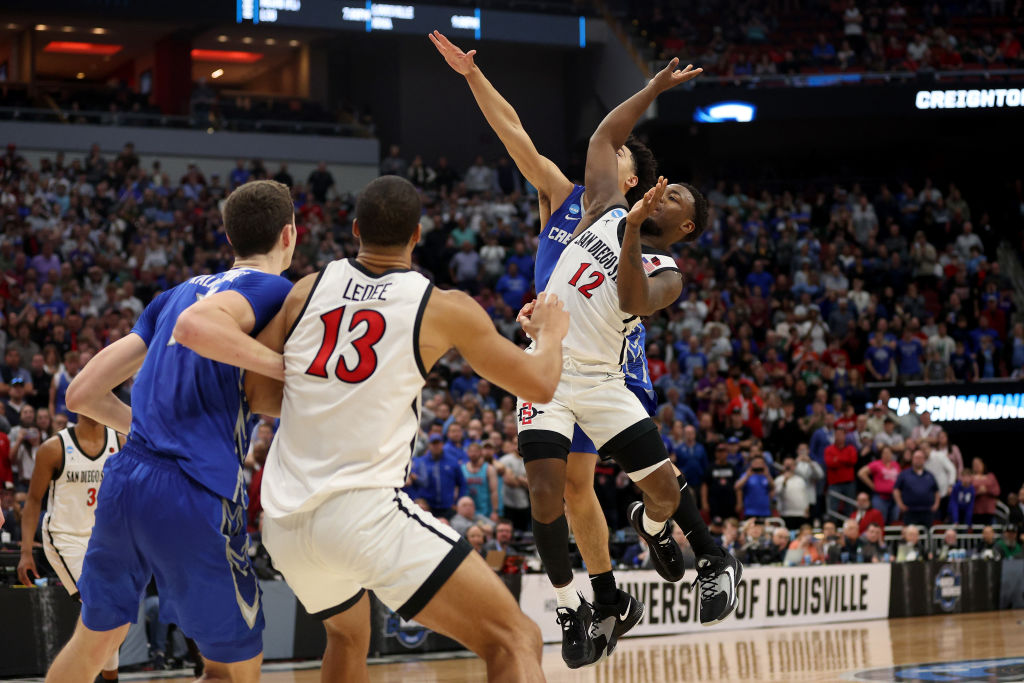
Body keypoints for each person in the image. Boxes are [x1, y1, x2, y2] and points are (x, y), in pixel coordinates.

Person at [247, 176, 566, 682]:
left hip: (283, 521)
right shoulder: (442, 306)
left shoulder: (308, 287)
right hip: (360, 516)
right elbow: (540, 384)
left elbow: (259, 393)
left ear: (354, 230)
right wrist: (550, 334)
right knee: (515, 638)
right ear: (417, 235)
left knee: (348, 635)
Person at [430, 30, 661, 666]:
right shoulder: (560, 197)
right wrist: (473, 77)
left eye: (615, 155)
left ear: (631, 177)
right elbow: (516, 135)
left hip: (609, 361)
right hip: (551, 363)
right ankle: (597, 598)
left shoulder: (631, 224)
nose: (602, 158)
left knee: (597, 486)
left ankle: (634, 558)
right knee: (560, 487)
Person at [516, 58, 743, 646]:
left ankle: (686, 543)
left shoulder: (667, 270)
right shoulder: (600, 208)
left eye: (678, 201)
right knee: (547, 491)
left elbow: (633, 299)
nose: (665, 194)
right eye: (664, 188)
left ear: (684, 227)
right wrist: (653, 88)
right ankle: (574, 607)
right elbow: (604, 137)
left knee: (662, 490)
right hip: (544, 370)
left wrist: (638, 230)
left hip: (598, 378)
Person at [44, 180, 297, 683]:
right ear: (289, 235)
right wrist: (291, 368)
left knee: (94, 643)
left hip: (125, 480)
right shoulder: (275, 292)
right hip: (193, 489)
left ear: (230, 239)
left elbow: (81, 396)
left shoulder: (174, 294)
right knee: (234, 668)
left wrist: (149, 429)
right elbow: (201, 333)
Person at [17, 415, 125, 682]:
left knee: (114, 613)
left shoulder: (120, 442)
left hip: (103, 538)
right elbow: (32, 501)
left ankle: (109, 678)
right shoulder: (53, 448)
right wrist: (26, 552)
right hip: (65, 538)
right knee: (100, 604)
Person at [893, 449, 940, 528]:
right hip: (910, 511)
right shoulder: (904, 474)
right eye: (916, 457)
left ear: (924, 460)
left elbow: (936, 491)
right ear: (912, 459)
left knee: (927, 535)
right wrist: (900, 504)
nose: (918, 460)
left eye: (920, 458)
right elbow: (896, 490)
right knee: (910, 534)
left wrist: (936, 504)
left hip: (927, 512)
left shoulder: (930, 475)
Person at [859, 445, 901, 524]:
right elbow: (861, 473)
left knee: (894, 520)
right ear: (881, 454)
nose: (887, 455)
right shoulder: (876, 464)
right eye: (885, 453)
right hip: (880, 497)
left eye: (889, 453)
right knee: (880, 520)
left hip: (894, 497)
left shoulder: (896, 465)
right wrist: (873, 486)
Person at [824, 428, 857, 517]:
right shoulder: (829, 449)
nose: (839, 437)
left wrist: (837, 459)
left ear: (845, 436)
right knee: (833, 507)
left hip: (849, 482)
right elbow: (830, 463)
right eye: (837, 434)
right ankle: (832, 528)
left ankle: (850, 528)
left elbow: (853, 461)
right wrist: (845, 460)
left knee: (849, 506)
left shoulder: (851, 448)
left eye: (841, 434)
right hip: (834, 483)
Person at [774, 456, 811, 529]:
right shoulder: (779, 480)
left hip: (800, 513)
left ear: (794, 466)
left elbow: (805, 496)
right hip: (786, 514)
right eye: (786, 465)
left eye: (790, 465)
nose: (788, 467)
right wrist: (785, 481)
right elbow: (777, 493)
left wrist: (807, 509)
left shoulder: (800, 480)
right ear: (783, 466)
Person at [735, 454, 774, 519]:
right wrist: (747, 475)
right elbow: (737, 487)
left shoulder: (767, 476)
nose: (758, 464)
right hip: (750, 511)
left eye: (760, 463)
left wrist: (767, 475)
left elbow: (773, 487)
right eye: (756, 463)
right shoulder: (746, 475)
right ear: (751, 464)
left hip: (765, 511)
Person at [970, 457, 1001, 525]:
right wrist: (978, 492)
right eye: (975, 464)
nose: (977, 466)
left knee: (990, 530)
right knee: (977, 531)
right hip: (976, 511)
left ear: (983, 464)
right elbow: (967, 493)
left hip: (989, 510)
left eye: (978, 464)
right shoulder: (970, 478)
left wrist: (987, 490)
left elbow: (997, 491)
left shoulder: (991, 476)